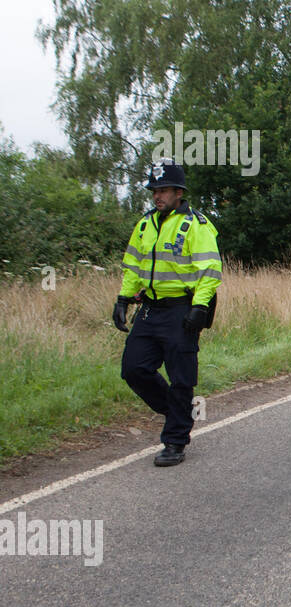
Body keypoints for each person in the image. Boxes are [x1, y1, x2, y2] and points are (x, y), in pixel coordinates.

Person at [113, 159, 222, 467]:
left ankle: (175, 440)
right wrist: (122, 299)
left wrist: (199, 307)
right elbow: (133, 266)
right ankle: (178, 411)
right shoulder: (145, 224)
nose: (157, 195)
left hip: (180, 309)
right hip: (149, 309)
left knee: (181, 378)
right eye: (154, 190)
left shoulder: (196, 225)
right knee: (133, 369)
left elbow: (210, 271)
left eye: (163, 190)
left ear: (178, 192)